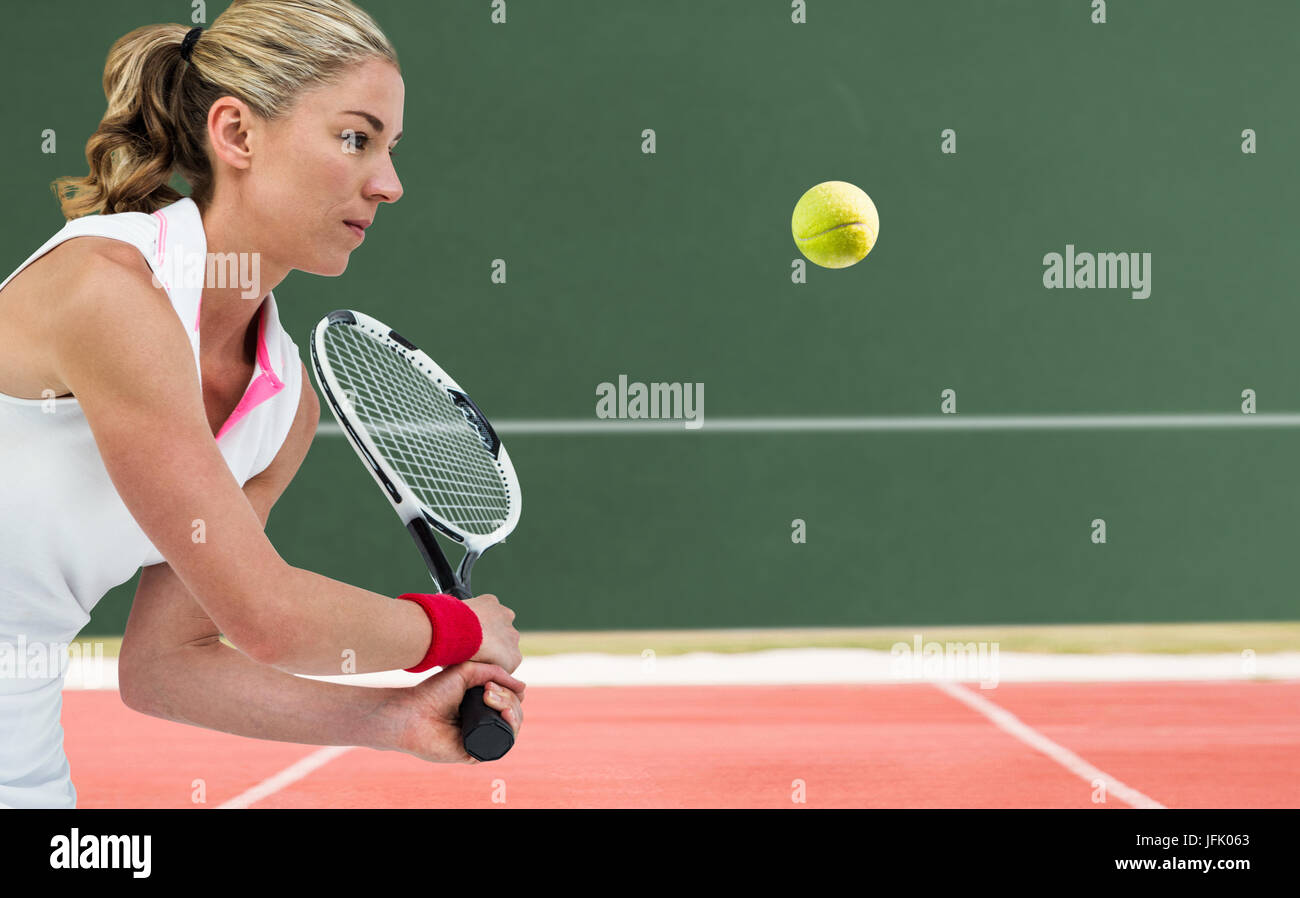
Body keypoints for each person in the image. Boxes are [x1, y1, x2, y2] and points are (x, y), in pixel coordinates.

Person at [0, 0, 523, 809]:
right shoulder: (107, 292)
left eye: (389, 148)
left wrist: (392, 719)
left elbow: (164, 665)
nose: (388, 184)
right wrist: (459, 631)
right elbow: (268, 615)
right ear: (237, 134)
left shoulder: (283, 407)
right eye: (356, 138)